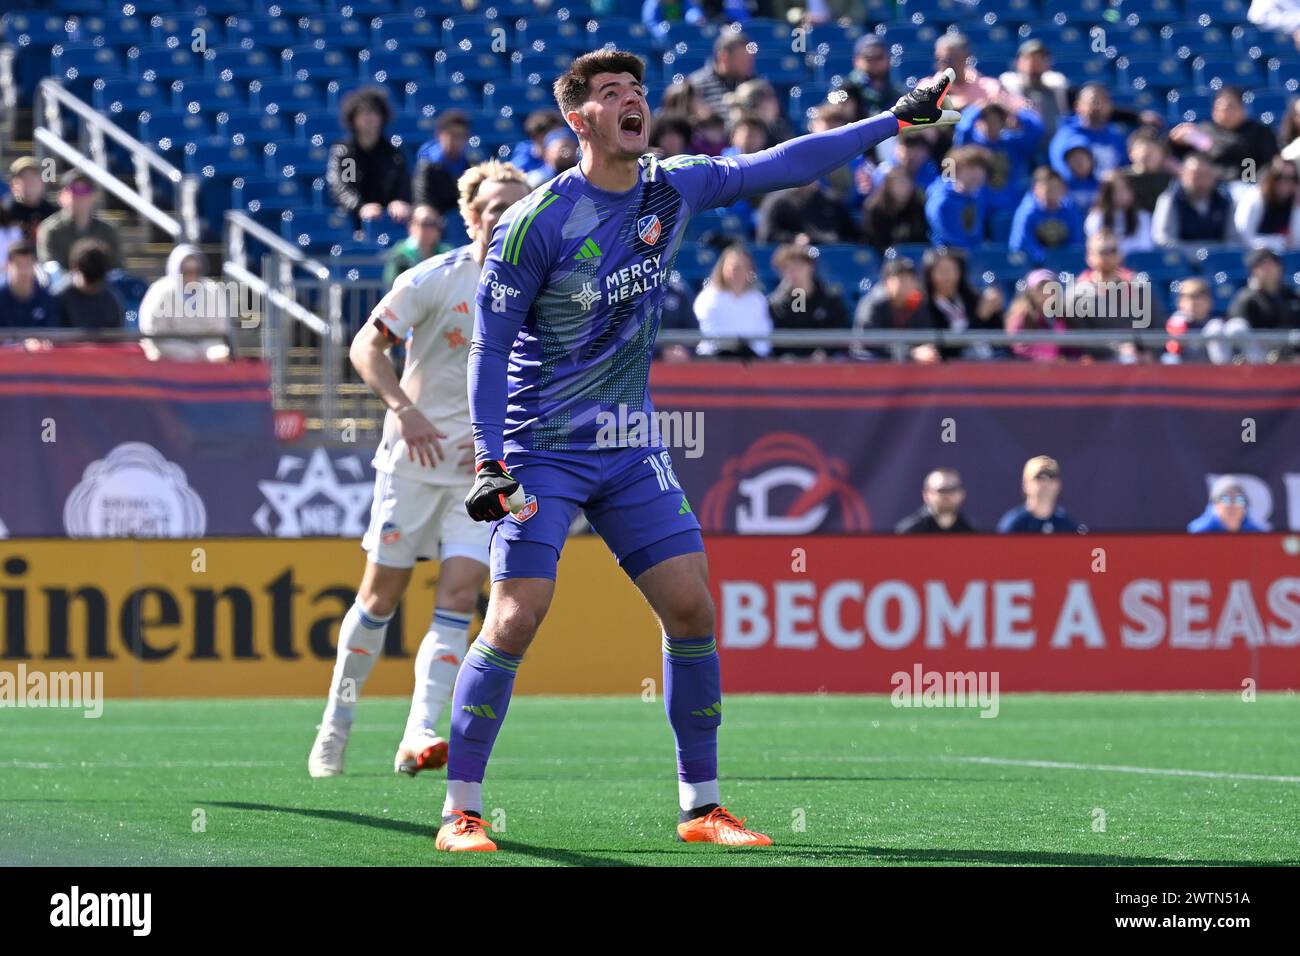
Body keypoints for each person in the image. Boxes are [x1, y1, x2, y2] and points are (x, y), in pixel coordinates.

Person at [450, 49, 960, 852]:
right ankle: (463, 811)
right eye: (613, 93)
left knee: (691, 604)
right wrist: (491, 460)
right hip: (540, 446)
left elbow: (783, 163)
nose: (633, 102)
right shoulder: (535, 222)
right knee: (517, 614)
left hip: (627, 443)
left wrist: (894, 120)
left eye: (638, 92)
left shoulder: (673, 184)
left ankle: (701, 807)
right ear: (579, 119)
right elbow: (487, 350)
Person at [308, 160, 533, 780]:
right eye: (492, 209)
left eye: (516, 208)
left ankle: (420, 731)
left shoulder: (542, 286)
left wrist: (505, 444)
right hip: (413, 463)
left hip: (478, 474)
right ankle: (336, 725)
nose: (503, 218)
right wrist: (404, 411)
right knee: (380, 596)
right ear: (470, 216)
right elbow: (365, 345)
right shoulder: (436, 277)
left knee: (461, 595)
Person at [326, 86, 412, 227]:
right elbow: (344, 187)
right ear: (353, 119)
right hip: (354, 220)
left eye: (373, 113)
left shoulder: (393, 154)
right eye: (363, 113)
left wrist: (399, 201)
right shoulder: (347, 153)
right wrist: (360, 207)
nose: (369, 118)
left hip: (388, 219)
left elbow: (403, 184)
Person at [137, 244, 232, 362]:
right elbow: (153, 332)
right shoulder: (160, 291)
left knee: (220, 353)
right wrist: (188, 352)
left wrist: (205, 350)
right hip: (169, 345)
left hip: (205, 345)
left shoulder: (213, 290)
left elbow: (220, 330)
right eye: (186, 271)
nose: (191, 275)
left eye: (195, 271)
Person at [1168, 87, 1280, 184]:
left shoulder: (1260, 132)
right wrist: (1178, 141)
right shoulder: (1204, 130)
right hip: (1211, 189)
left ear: (1242, 109)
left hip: (1248, 186)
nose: (1224, 112)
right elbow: (1176, 151)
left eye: (1230, 107)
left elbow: (1270, 163)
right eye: (1220, 108)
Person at [766, 242, 850, 359]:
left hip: (827, 365)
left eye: (798, 267)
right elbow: (777, 342)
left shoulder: (831, 299)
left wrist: (825, 352)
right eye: (786, 268)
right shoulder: (776, 305)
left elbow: (842, 332)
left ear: (811, 267)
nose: (793, 273)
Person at [693, 243, 772, 357]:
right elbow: (704, 331)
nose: (738, 272)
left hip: (751, 360)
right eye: (734, 268)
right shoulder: (707, 297)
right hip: (715, 359)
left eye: (743, 268)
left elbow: (764, 335)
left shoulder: (757, 299)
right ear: (722, 269)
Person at [36, 171, 122, 271]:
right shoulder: (50, 229)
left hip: (101, 284)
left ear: (93, 196)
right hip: (63, 285)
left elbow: (117, 267)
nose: (80, 196)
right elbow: (50, 268)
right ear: (61, 197)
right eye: (74, 190)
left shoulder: (107, 230)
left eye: (85, 190)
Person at [1153, 153, 1238, 249]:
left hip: (1216, 260)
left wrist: (1210, 255)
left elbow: (1232, 239)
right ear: (1182, 175)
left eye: (1205, 175)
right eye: (1195, 175)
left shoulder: (1224, 200)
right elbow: (1164, 240)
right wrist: (1198, 253)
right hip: (1181, 261)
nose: (1201, 180)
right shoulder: (1170, 200)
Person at [853, 257, 931, 361]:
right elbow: (870, 343)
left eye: (911, 279)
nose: (907, 284)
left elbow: (924, 335)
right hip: (870, 362)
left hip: (905, 360)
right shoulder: (873, 304)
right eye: (902, 279)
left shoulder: (918, 303)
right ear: (887, 281)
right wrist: (910, 353)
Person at [1049, 84, 1129, 179]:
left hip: (1109, 192)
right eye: (1093, 102)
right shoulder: (1068, 135)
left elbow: (1124, 169)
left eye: (1104, 101)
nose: (1099, 106)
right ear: (1077, 106)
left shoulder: (1115, 136)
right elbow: (1070, 172)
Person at [998, 39, 1069, 144]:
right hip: (1020, 146)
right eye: (1029, 58)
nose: (1034, 63)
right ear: (1018, 63)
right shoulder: (1008, 88)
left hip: (1051, 145)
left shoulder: (1056, 89)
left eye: (1040, 59)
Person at [1009, 166, 1085, 264]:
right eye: (1047, 189)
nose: (1052, 193)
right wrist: (1046, 258)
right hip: (1033, 268)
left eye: (1056, 188)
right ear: (1035, 189)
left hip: (1063, 265)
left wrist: (1063, 258)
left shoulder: (1070, 213)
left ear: (1063, 190)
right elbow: (1021, 245)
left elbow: (1075, 244)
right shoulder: (1027, 214)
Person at [1225, 247, 1300, 345]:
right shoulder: (1245, 299)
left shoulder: (1291, 296)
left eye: (1273, 263)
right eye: (1262, 265)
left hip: (1290, 352)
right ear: (1253, 271)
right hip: (1257, 354)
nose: (1268, 269)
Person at [924, 145, 992, 248]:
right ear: (956, 169)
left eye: (982, 168)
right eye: (971, 167)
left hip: (975, 257)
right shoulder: (942, 201)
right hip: (946, 258)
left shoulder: (978, 198)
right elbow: (950, 241)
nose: (978, 173)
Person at [413, 110, 479, 215]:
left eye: (460, 136)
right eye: (451, 134)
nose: (455, 141)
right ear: (439, 135)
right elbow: (422, 200)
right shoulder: (427, 167)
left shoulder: (471, 169)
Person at [997, 455, 1084, 533]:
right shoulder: (1013, 525)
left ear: (1059, 484)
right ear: (1025, 484)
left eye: (1051, 476)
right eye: (1039, 477)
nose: (1046, 483)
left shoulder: (1068, 526)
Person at [54, 238, 123, 330]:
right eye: (88, 282)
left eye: (97, 284)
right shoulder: (58, 300)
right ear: (75, 269)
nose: (92, 289)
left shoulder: (111, 302)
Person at [1005, 268, 1072, 362]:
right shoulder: (1020, 315)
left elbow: (1072, 347)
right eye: (1040, 288)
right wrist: (1051, 358)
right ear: (1030, 292)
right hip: (1029, 371)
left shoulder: (1063, 315)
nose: (1046, 293)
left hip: (1061, 370)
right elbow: (1019, 349)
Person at [1234, 157, 1300, 251]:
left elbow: (1296, 242)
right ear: (1270, 178)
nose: (1286, 183)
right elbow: (1244, 237)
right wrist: (1274, 242)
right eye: (1279, 177)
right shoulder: (1255, 197)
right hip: (1254, 257)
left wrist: (1298, 207)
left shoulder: (1294, 202)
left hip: (1283, 257)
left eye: (1292, 178)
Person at [687, 30, 755, 115]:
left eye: (750, 59)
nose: (750, 64)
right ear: (724, 57)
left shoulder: (754, 84)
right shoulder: (696, 85)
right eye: (743, 59)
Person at [1086, 169, 1155, 253]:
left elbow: (1145, 247)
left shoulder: (1142, 217)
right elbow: (1096, 246)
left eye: (1126, 189)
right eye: (1116, 190)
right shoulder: (1096, 217)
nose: (1122, 194)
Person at [862, 165, 929, 251]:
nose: (904, 187)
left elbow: (921, 238)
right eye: (899, 183)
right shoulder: (874, 209)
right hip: (884, 258)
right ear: (888, 185)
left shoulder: (918, 205)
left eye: (907, 182)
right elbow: (877, 243)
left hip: (913, 257)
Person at [383, 205, 450, 289]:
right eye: (424, 224)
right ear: (411, 227)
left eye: (433, 224)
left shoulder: (447, 253)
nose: (429, 230)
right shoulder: (401, 254)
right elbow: (392, 285)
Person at [840, 35, 901, 122]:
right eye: (868, 58)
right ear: (856, 61)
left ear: (888, 60)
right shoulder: (845, 91)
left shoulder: (897, 94)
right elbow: (829, 117)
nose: (874, 62)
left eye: (879, 57)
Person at [895, 467, 975, 533]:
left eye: (952, 489)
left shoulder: (970, 531)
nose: (947, 495)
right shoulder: (910, 532)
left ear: (961, 494)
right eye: (941, 490)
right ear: (926, 495)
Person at [1, 157, 58, 244]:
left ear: (42, 182)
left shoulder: (51, 212)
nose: (29, 183)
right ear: (13, 184)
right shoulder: (4, 212)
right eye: (23, 178)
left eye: (33, 177)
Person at [0, 241, 56, 328]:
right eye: (18, 265)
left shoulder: (46, 299)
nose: (24, 271)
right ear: (8, 266)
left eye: (28, 265)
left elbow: (53, 333)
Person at [1120, 128, 1175, 214]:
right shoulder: (1120, 179)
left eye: (1152, 151)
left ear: (1163, 154)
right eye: (1143, 151)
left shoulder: (1171, 181)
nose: (1146, 155)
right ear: (1131, 152)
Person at [1187, 475, 1264, 533]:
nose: (1233, 506)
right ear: (1215, 505)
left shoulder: (1257, 534)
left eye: (1239, 500)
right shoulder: (1198, 533)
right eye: (1226, 499)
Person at [508, 110, 565, 179]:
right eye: (553, 134)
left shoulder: (564, 157)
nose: (558, 138)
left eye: (560, 133)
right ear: (537, 136)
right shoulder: (525, 153)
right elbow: (515, 177)